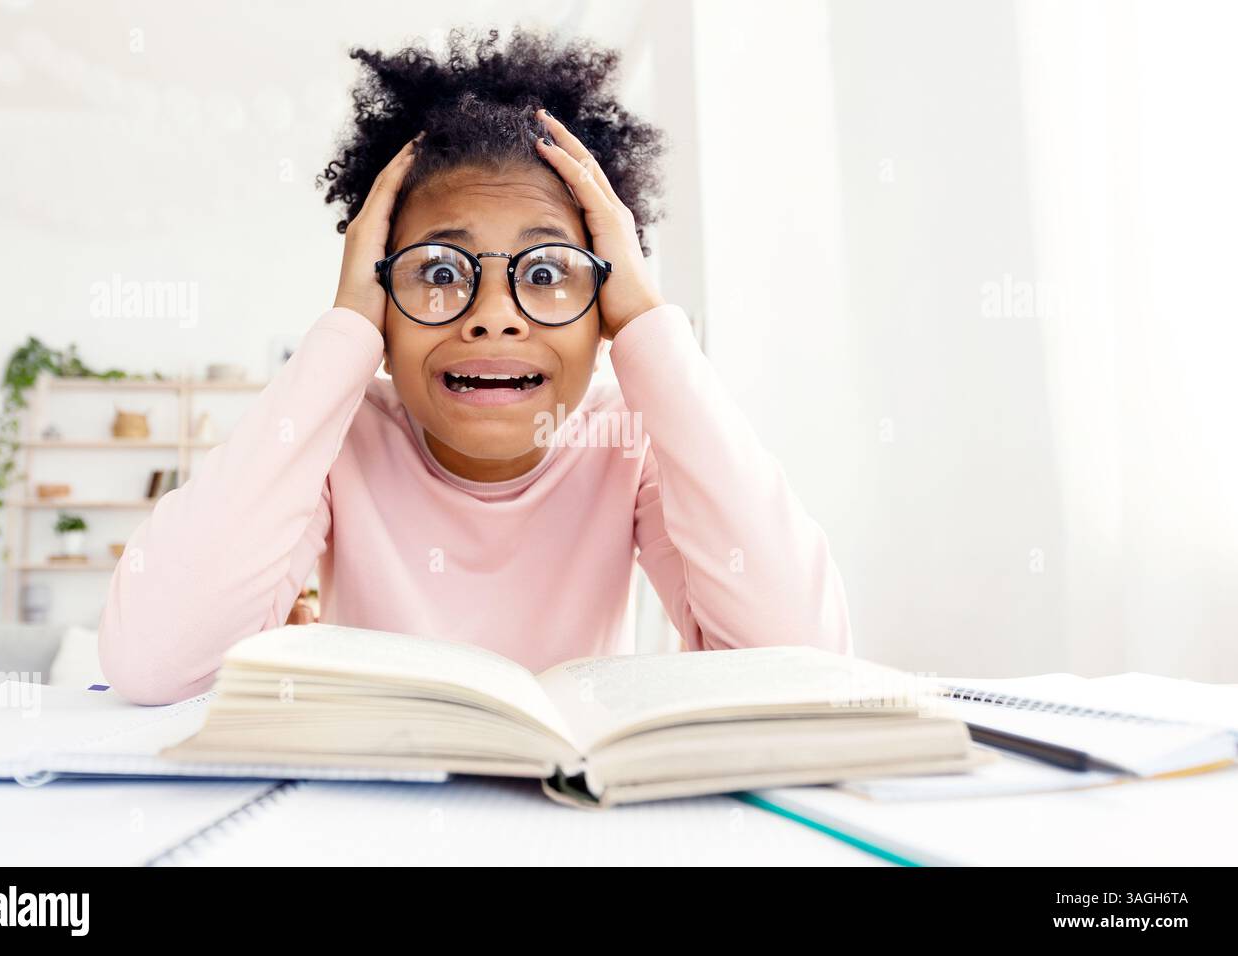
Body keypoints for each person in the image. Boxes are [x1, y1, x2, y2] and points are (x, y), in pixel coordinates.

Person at [98, 26, 851, 705]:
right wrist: (344, 336)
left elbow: (802, 668)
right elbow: (154, 665)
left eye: (549, 273)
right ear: (381, 298)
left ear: (605, 301)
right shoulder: (340, 438)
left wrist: (652, 330)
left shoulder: (629, 438)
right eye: (437, 271)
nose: (495, 312)